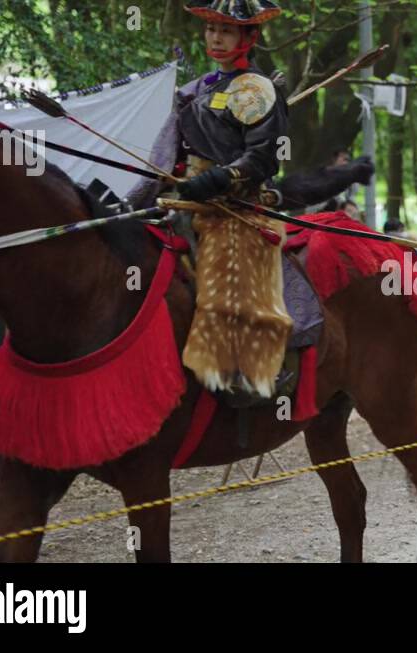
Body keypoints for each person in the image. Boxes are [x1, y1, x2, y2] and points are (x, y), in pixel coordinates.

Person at [130, 0, 291, 403]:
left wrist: (224, 177)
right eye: (210, 29)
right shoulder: (197, 89)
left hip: (235, 206)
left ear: (248, 38)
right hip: (183, 195)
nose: (215, 38)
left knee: (226, 280)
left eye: (226, 30)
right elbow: (170, 148)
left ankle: (241, 373)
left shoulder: (257, 90)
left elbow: (263, 155)